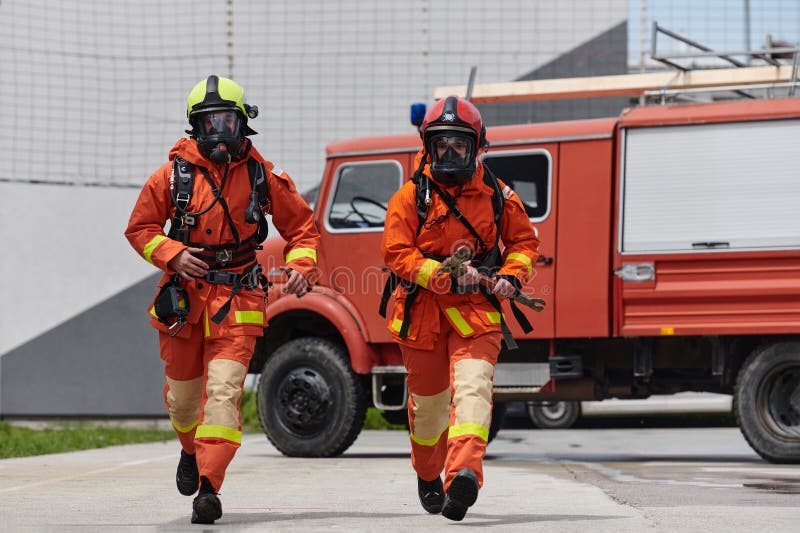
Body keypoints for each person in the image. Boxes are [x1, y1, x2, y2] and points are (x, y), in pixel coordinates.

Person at [125, 75, 319, 524]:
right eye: (209, 122)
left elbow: (303, 229)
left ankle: (209, 487)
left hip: (240, 295)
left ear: (242, 123)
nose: (219, 132)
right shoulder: (172, 175)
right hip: (184, 301)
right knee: (182, 398)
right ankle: (190, 451)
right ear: (195, 126)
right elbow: (140, 229)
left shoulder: (261, 174)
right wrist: (173, 255)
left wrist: (302, 267)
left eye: (227, 121)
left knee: (224, 393)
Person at [381, 95, 539, 521]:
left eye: (459, 145)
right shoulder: (409, 197)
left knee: (473, 393)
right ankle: (428, 473)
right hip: (422, 315)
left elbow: (524, 243)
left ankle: (464, 474)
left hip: (476, 312)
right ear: (428, 147)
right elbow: (397, 254)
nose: (450, 154)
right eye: (441, 145)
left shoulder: (497, 195)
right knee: (429, 409)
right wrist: (441, 275)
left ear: (477, 147)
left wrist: (512, 275)